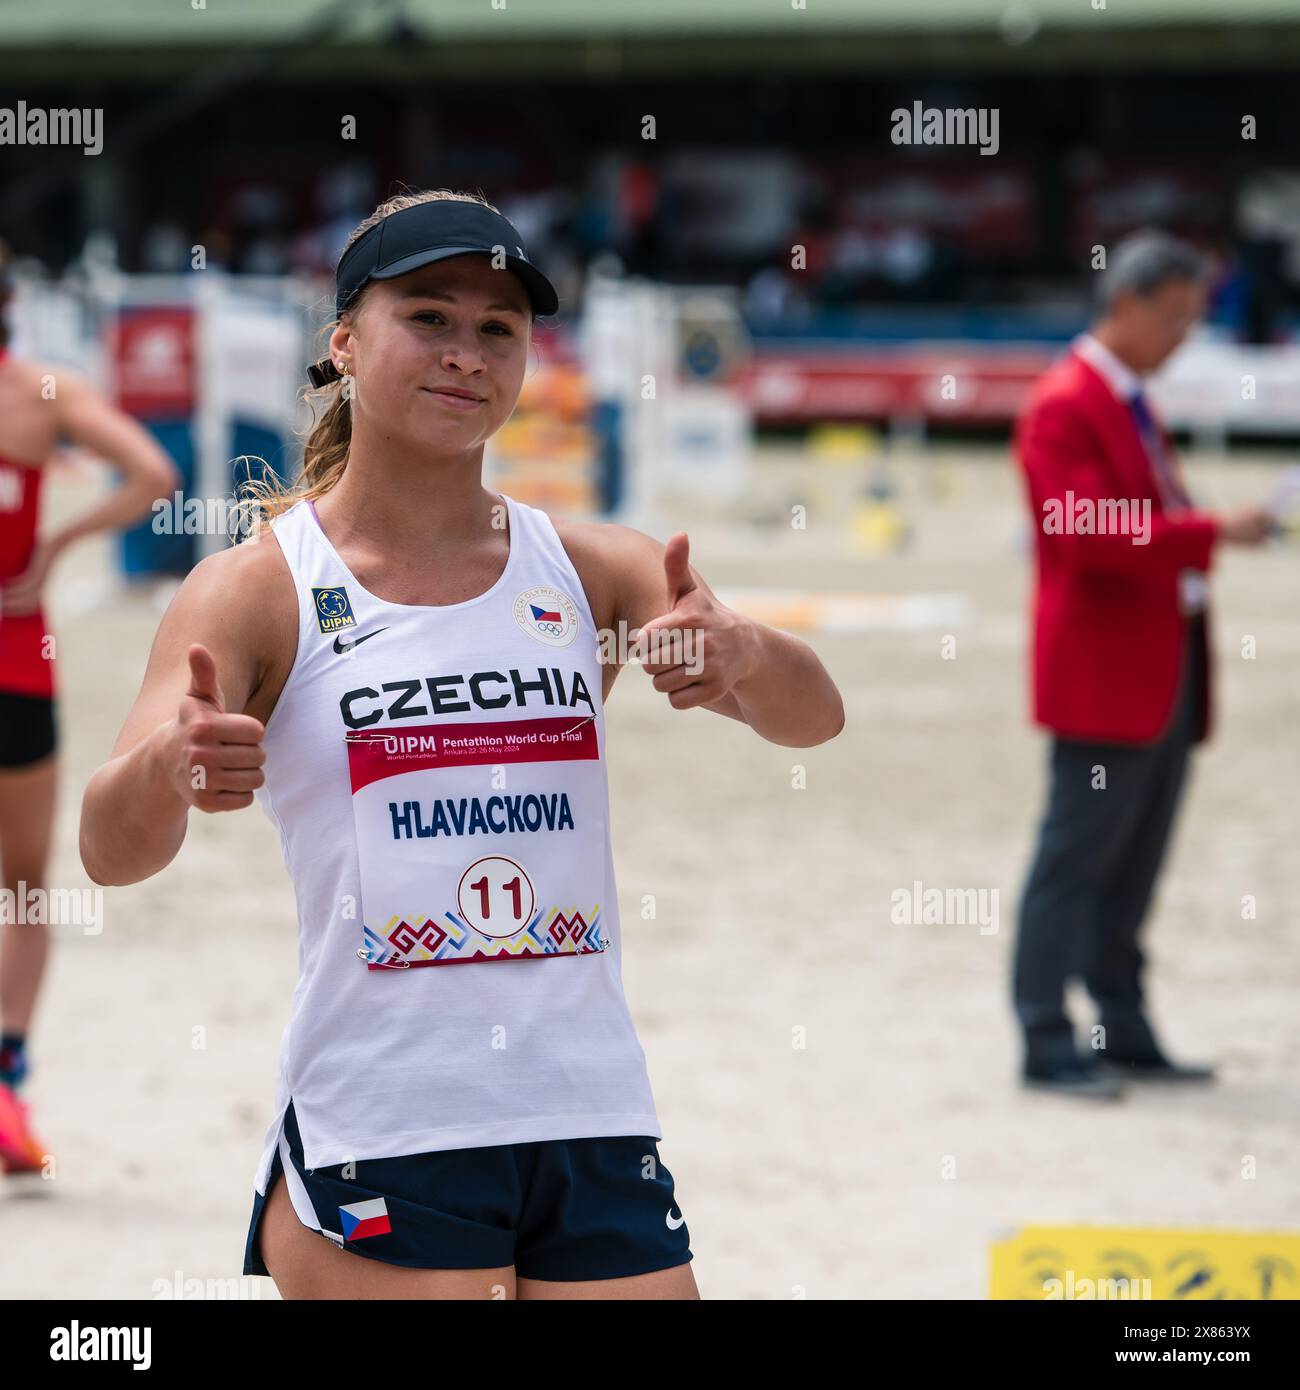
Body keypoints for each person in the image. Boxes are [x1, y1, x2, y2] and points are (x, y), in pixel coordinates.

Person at [79, 190, 845, 1299]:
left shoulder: (592, 567)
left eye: (498, 329)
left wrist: (742, 655)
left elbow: (812, 717)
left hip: (590, 1109)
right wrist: (170, 767)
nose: (465, 354)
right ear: (344, 341)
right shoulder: (258, 587)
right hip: (385, 1120)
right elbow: (110, 848)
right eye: (428, 317)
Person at [1012, 229, 1273, 1100]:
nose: (1184, 335)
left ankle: (1121, 1025)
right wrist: (1210, 532)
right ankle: (1046, 1036)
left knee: (1134, 863)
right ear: (1124, 304)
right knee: (1076, 862)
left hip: (1158, 664)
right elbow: (1082, 537)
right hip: (1104, 673)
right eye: (1175, 316)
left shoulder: (1126, 397)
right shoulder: (1066, 402)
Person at [0, 238, 177, 1171]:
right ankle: (7, 1084)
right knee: (22, 882)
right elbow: (154, 472)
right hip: (17, 655)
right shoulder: (42, 397)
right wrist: (57, 547)